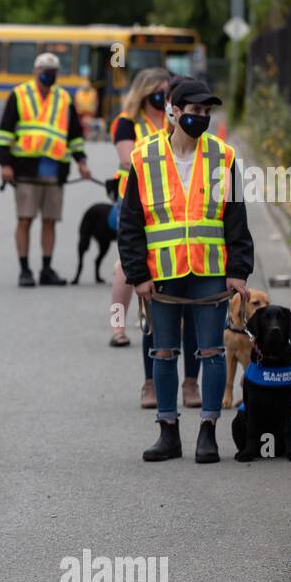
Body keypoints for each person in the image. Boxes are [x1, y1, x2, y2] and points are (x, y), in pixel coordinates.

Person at [118, 78, 253, 463]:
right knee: (163, 353)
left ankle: (208, 432)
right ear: (174, 112)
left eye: (207, 113)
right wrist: (137, 274)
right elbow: (130, 223)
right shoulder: (143, 158)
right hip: (161, 274)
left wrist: (239, 270)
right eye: (195, 112)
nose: (202, 119)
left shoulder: (222, 157)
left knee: (211, 352)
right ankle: (168, 433)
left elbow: (235, 216)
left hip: (209, 272)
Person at [105, 68, 200, 410]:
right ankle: (118, 326)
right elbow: (129, 160)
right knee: (124, 268)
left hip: (172, 211)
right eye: (158, 92)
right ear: (145, 92)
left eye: (167, 92)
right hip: (131, 203)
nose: (163, 98)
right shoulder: (127, 122)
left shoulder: (174, 120)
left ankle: (190, 381)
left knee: (185, 308)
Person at [0, 52, 92, 287]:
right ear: (36, 71)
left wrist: (81, 162)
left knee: (50, 220)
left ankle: (46, 269)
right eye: (44, 70)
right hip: (25, 169)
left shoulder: (64, 99)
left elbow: (74, 135)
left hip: (55, 170)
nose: (49, 75)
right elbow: (4, 133)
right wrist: (5, 164)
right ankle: (25, 270)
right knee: (25, 219)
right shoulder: (19, 95)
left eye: (53, 71)